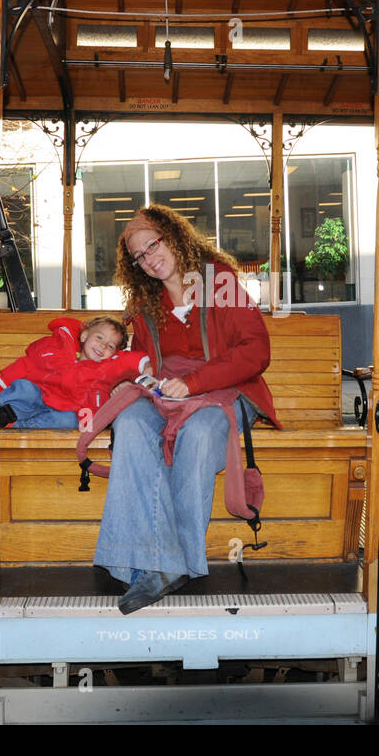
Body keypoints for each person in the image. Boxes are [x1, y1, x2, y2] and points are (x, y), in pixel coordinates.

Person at [96, 205, 279, 614]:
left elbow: (256, 351)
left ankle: (166, 565)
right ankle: (139, 559)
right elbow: (142, 356)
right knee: (129, 422)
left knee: (198, 433)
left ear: (174, 237)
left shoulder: (220, 281)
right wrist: (142, 376)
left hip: (228, 392)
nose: (149, 259)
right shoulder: (146, 300)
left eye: (153, 246)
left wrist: (194, 383)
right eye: (139, 256)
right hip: (170, 397)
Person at [0, 316, 149, 429]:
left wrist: (147, 366)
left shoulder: (107, 368)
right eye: (99, 338)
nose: (103, 346)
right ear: (84, 336)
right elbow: (25, 366)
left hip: (66, 412)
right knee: (26, 388)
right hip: (41, 398)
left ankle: (12, 425)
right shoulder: (57, 353)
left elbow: (134, 360)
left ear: (115, 353)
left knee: (67, 420)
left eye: (111, 346)